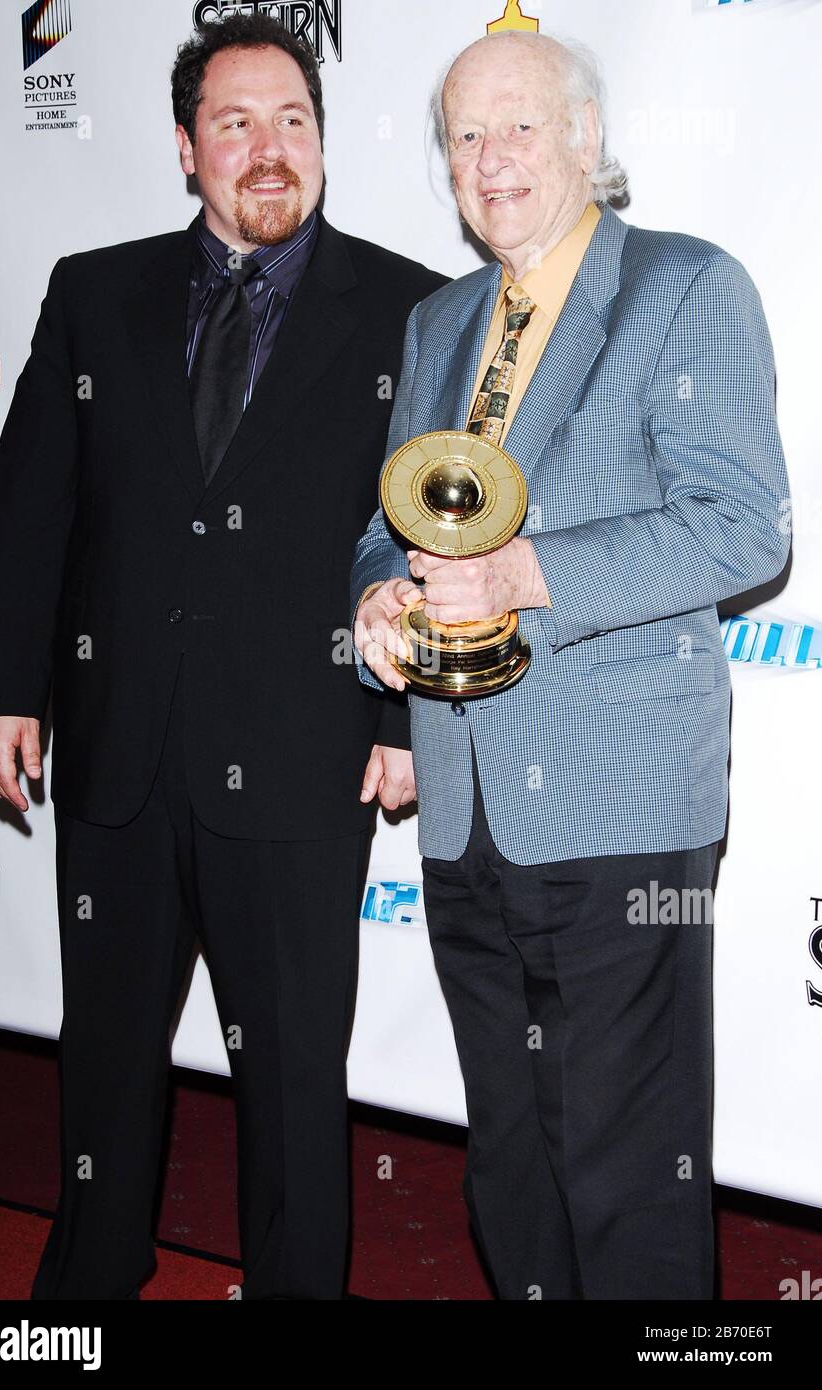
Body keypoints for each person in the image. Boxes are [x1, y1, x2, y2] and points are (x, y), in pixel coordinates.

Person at [0, 13, 445, 1300]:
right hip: (117, 751)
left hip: (302, 761)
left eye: (292, 120)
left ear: (324, 147)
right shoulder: (91, 290)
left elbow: (421, 539)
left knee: (293, 1077)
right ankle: (80, 1300)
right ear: (187, 149)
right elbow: (34, 509)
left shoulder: (409, 310)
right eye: (235, 123)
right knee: (105, 1064)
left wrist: (404, 721)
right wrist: (5, 688)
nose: (268, 147)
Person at [352, 30, 789, 1300]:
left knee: (625, 1171)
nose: (490, 162)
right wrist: (377, 596)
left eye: (520, 128)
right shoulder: (437, 321)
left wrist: (520, 575)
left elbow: (741, 524)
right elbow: (389, 522)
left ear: (588, 140)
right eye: (464, 138)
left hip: (616, 810)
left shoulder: (682, 286)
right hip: (463, 807)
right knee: (511, 1168)